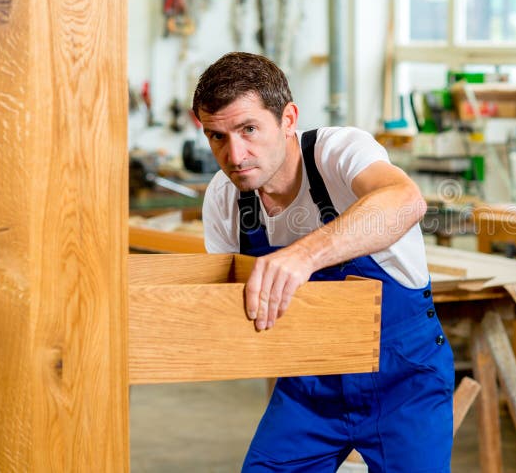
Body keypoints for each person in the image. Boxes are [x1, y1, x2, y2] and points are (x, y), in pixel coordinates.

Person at [192, 52, 454, 472]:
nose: (235, 155)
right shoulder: (224, 198)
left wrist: (303, 256)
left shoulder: (338, 152)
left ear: (288, 119)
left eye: (249, 129)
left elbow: (405, 201)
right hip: (308, 387)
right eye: (217, 137)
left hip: (404, 380)